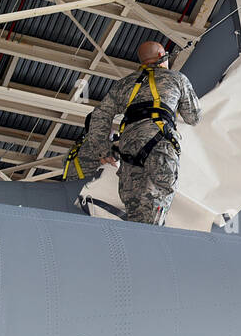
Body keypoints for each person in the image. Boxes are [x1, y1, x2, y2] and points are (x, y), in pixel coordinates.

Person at [81, 41, 201, 225]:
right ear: (162, 56)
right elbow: (193, 117)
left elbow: (99, 115)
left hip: (129, 149)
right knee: (158, 196)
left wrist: (102, 150)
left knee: (134, 202)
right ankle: (150, 242)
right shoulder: (176, 79)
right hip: (161, 144)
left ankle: (138, 239)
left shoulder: (124, 85)